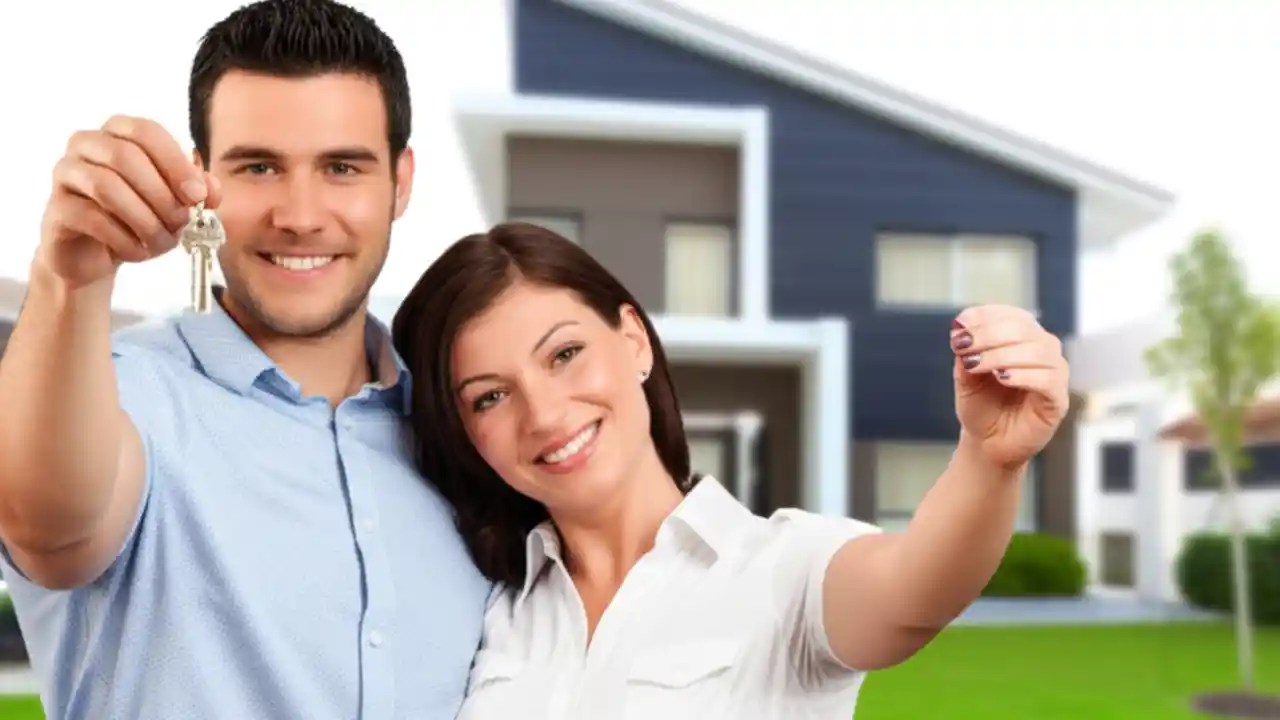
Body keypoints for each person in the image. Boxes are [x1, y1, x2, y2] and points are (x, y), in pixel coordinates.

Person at [0, 1, 490, 718]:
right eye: (258, 166)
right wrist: (69, 279)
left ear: (401, 181)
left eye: (342, 167)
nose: (299, 213)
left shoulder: (465, 433)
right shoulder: (122, 394)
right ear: (198, 179)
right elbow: (49, 528)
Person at [391, 222, 1071, 718]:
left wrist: (989, 460)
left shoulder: (782, 569)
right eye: (490, 395)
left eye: (564, 354)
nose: (542, 413)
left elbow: (915, 589)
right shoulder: (496, 615)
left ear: (632, 340)